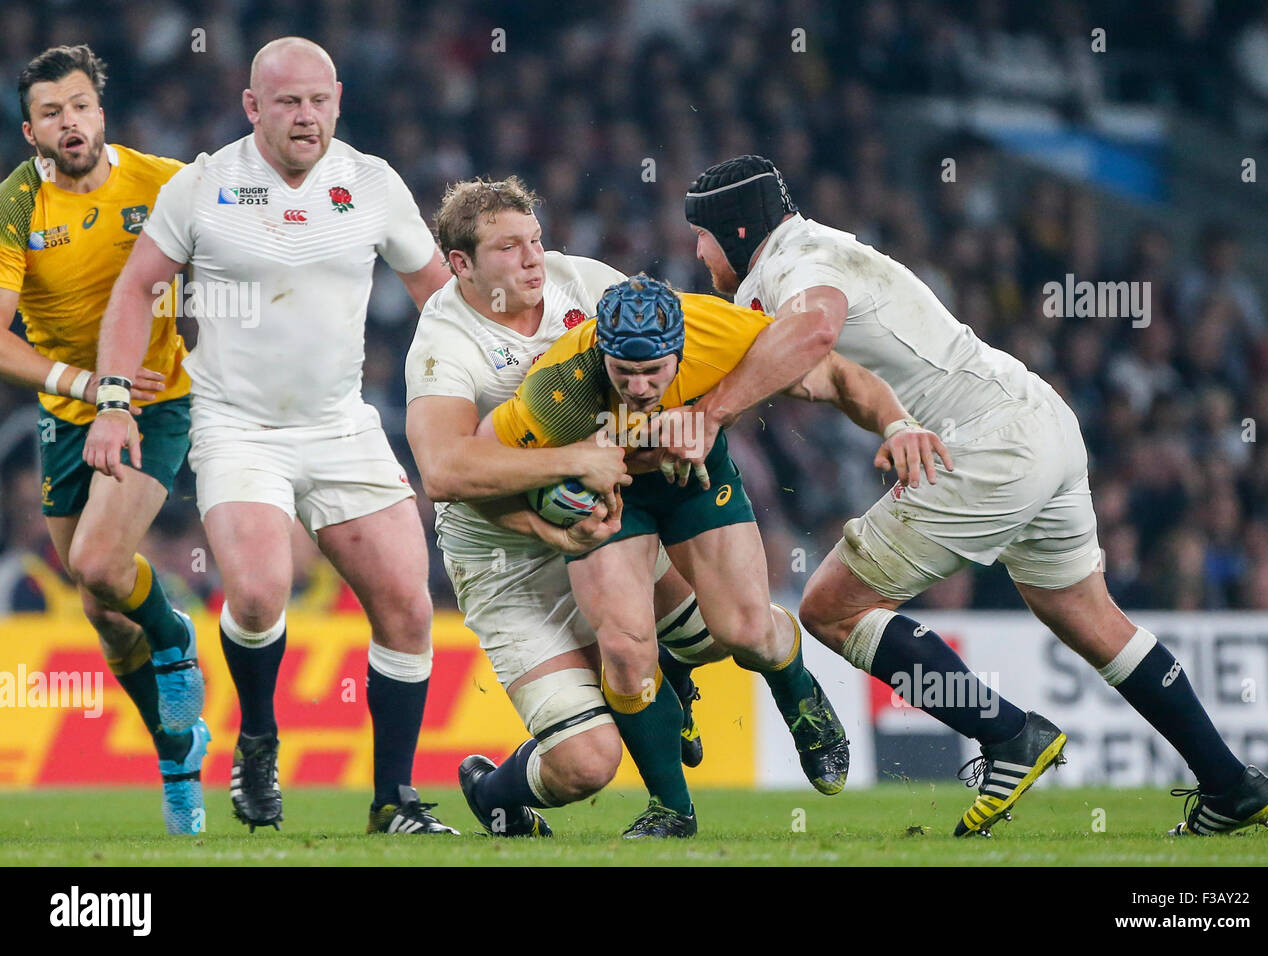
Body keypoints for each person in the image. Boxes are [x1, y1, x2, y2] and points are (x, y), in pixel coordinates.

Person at [664, 154, 1268, 837]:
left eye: (702, 236)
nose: (697, 252)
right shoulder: (810, 253)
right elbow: (815, 368)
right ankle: (1231, 783)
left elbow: (815, 330)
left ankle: (1009, 735)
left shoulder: (794, 262)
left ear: (739, 232)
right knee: (1087, 615)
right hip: (1037, 418)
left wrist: (708, 416)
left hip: (986, 442)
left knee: (831, 607)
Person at [83, 37, 456, 836]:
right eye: (288, 102)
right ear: (253, 106)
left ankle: (394, 800)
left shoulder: (372, 183)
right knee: (256, 594)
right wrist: (112, 400)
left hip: (342, 424)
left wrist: (485, 389)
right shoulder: (202, 185)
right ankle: (258, 739)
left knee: (407, 604)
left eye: (319, 100)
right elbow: (137, 289)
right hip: (238, 426)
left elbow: (440, 295)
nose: (306, 116)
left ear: (339, 101)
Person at [483, 273, 951, 837]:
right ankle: (671, 809)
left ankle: (798, 694)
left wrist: (897, 423)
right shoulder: (556, 388)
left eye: (654, 371)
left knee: (744, 631)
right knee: (625, 653)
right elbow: (479, 467)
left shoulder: (716, 330)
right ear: (599, 352)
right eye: (623, 371)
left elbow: (834, 374)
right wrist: (544, 524)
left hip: (695, 480)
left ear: (681, 351)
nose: (639, 386)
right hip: (611, 498)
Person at [404, 177, 718, 838]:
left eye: (536, 240)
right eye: (508, 248)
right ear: (460, 264)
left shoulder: (583, 284)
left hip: (599, 525)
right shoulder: (444, 342)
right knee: (585, 765)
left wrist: (684, 420)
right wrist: (575, 463)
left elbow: (673, 349)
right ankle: (495, 793)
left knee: (719, 631)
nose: (533, 259)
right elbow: (444, 470)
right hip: (505, 557)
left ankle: (669, 679)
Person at [0, 44, 206, 835]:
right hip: (68, 411)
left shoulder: (164, 183)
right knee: (101, 609)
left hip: (157, 399)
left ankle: (175, 636)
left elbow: (239, 263)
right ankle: (177, 755)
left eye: (81, 105)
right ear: (31, 132)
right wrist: (85, 386)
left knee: (96, 563)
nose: (70, 122)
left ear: (101, 112)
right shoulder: (17, 203)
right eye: (51, 112)